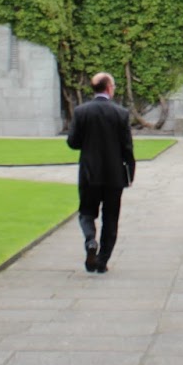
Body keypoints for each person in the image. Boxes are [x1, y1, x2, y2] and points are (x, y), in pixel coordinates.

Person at [66, 71, 137, 274]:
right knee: (111, 219)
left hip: (89, 173)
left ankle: (90, 241)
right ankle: (102, 261)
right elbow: (127, 148)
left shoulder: (81, 111)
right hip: (114, 175)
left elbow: (72, 142)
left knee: (87, 213)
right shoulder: (121, 113)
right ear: (108, 88)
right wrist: (130, 173)